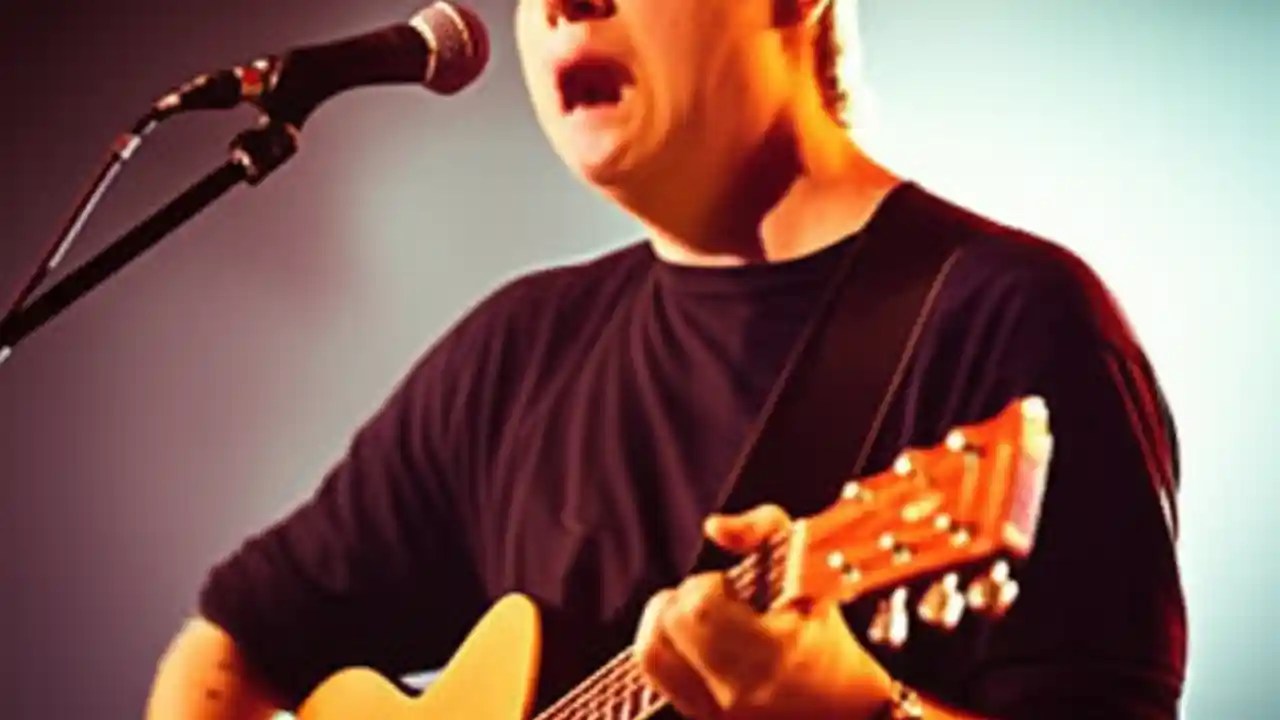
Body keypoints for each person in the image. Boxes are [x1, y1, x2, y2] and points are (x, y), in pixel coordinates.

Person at [145, 0, 1187, 717]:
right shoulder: (514, 353)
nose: (561, 2)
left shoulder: (1011, 323)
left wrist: (861, 713)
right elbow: (228, 649)